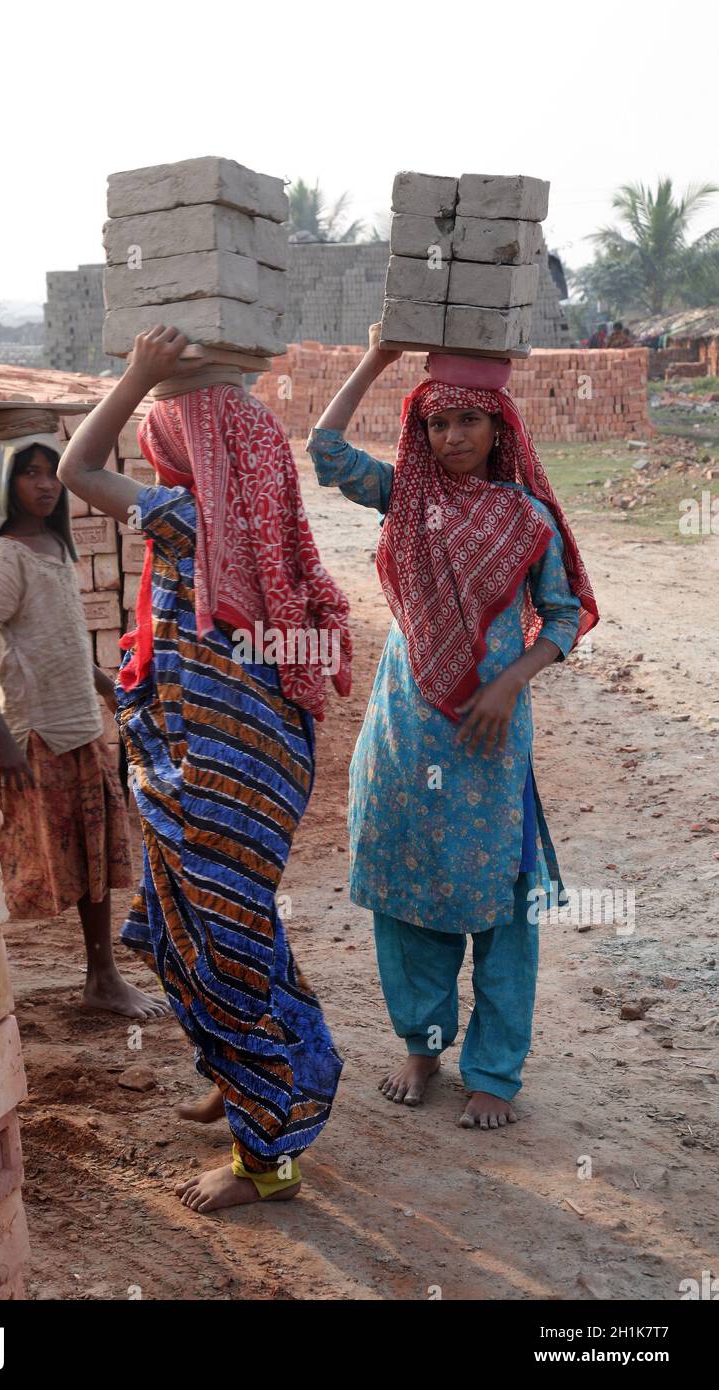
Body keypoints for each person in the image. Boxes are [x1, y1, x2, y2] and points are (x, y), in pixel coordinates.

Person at [58, 326, 351, 1212]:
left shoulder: (188, 522)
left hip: (206, 773)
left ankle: (266, 1159)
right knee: (233, 921)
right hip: (250, 767)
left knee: (222, 939)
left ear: (204, 463)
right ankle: (242, 1078)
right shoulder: (275, 552)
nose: (160, 464)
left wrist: (139, 372)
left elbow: (76, 469)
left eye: (171, 449)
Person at [306, 326, 599, 1130]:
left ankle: (494, 1071)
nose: (453, 437)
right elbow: (325, 450)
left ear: (501, 428)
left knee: (502, 901)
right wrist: (376, 357)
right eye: (437, 423)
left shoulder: (528, 517)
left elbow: (566, 617)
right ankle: (422, 1044)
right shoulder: (405, 498)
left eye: (469, 422)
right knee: (407, 887)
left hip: (489, 738)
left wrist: (512, 680)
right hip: (405, 730)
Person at [0, 402, 169, 1022]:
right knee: (18, 861)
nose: (47, 484)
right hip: (35, 736)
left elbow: (61, 639)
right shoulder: (6, 558)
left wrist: (109, 688)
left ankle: (102, 977)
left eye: (53, 471)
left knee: (93, 857)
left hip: (80, 726)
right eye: (31, 473)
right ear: (4, 481)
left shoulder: (52, 547)